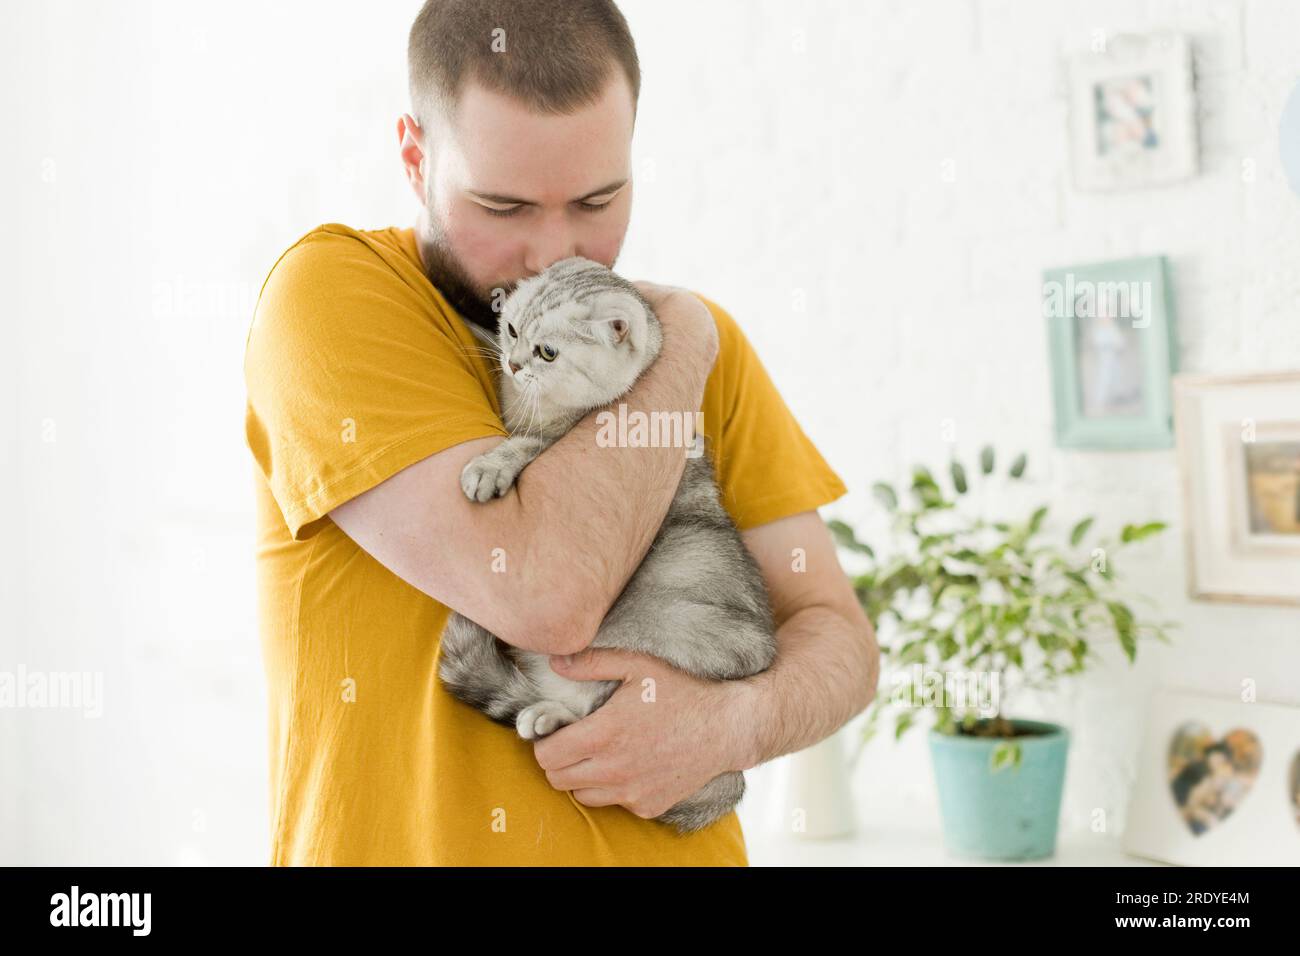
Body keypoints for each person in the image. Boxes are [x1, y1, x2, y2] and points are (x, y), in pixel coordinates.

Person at [242, 0, 879, 866]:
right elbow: (545, 595)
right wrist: (681, 337)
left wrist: (734, 721)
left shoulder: (689, 348)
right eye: (503, 206)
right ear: (415, 155)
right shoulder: (334, 296)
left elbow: (835, 632)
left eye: (596, 200)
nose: (556, 253)